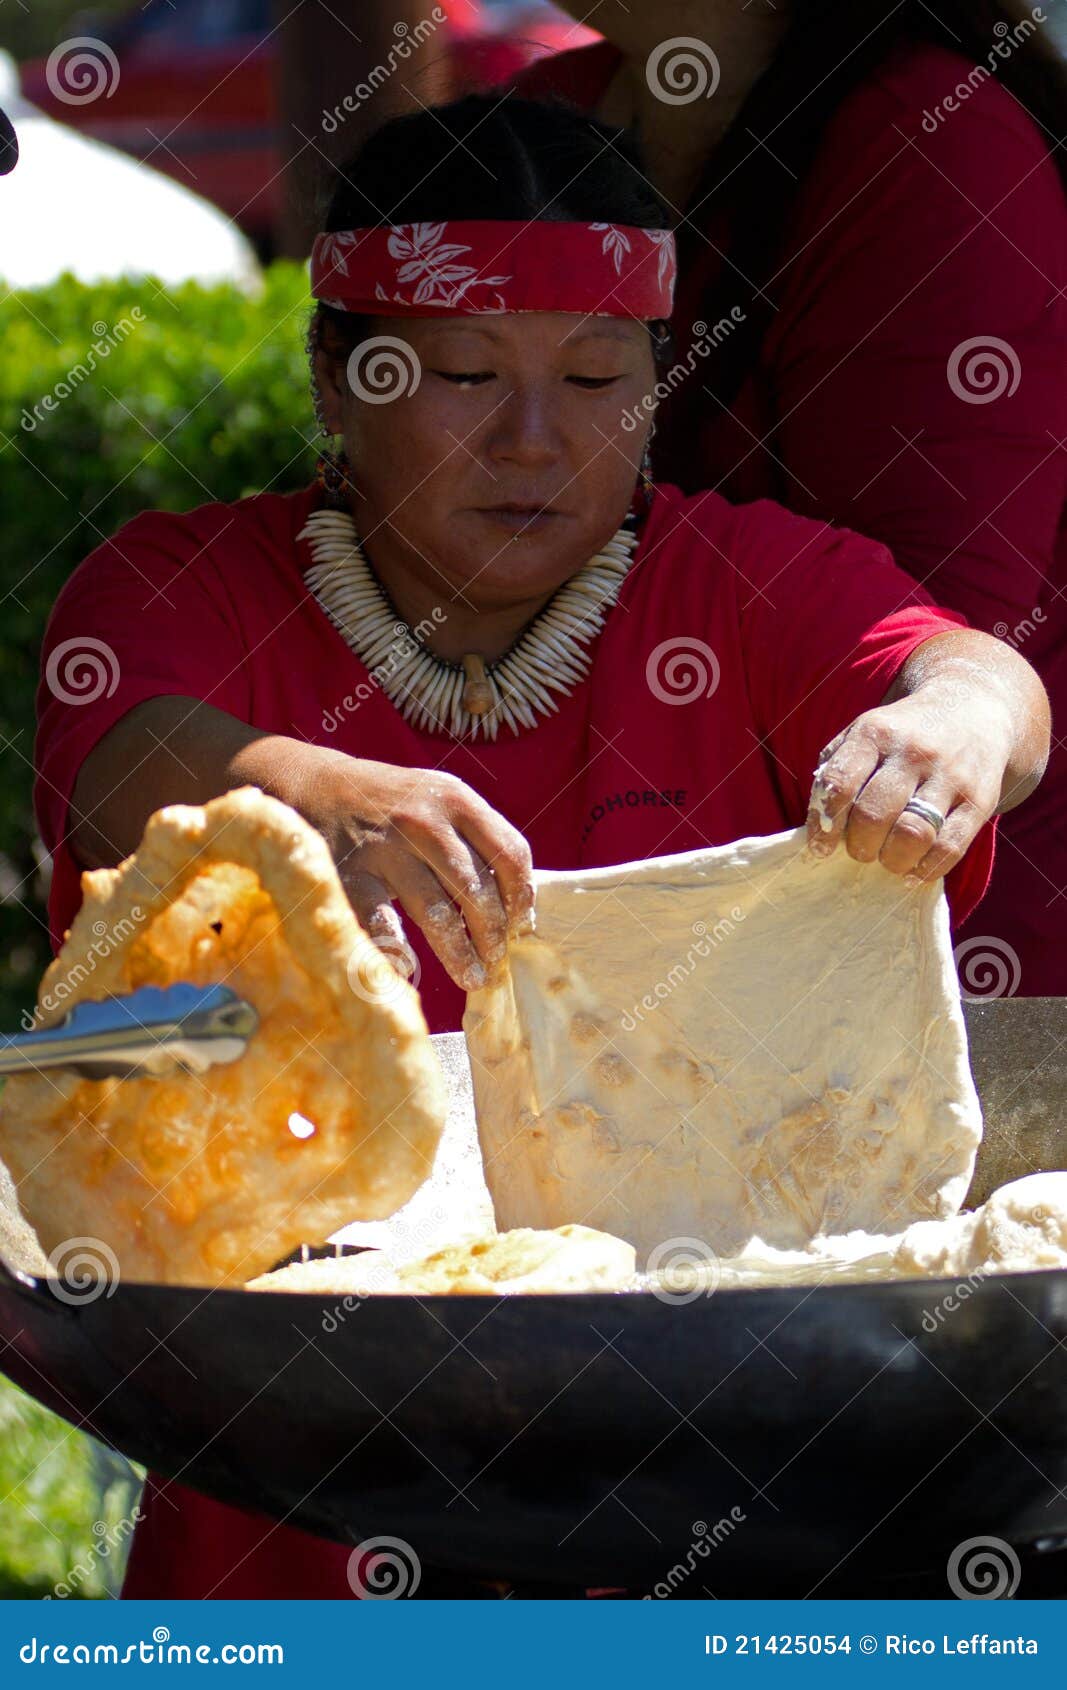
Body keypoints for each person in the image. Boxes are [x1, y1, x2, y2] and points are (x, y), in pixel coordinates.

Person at [35, 97, 1047, 1598]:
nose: (534, 440)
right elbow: (123, 754)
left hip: (720, 1460)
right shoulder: (182, 585)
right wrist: (311, 794)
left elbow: (969, 672)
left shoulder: (735, 582)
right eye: (461, 376)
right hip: (302, 1475)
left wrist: (956, 723)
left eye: (592, 378)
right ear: (335, 378)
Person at [519, 0, 1067, 994]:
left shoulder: (931, 136)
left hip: (944, 953)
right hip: (618, 927)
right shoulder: (538, 113)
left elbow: (930, 660)